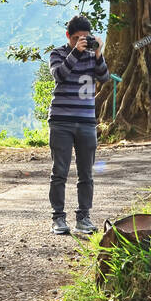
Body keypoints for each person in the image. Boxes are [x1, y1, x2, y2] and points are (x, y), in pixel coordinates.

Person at [47, 15, 110, 236]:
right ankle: (58, 217)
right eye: (76, 38)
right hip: (61, 121)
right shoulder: (59, 53)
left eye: (84, 38)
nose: (80, 42)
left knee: (86, 174)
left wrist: (99, 54)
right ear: (68, 36)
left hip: (86, 122)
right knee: (59, 173)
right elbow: (59, 75)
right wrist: (76, 52)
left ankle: (84, 216)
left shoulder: (93, 55)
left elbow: (105, 77)